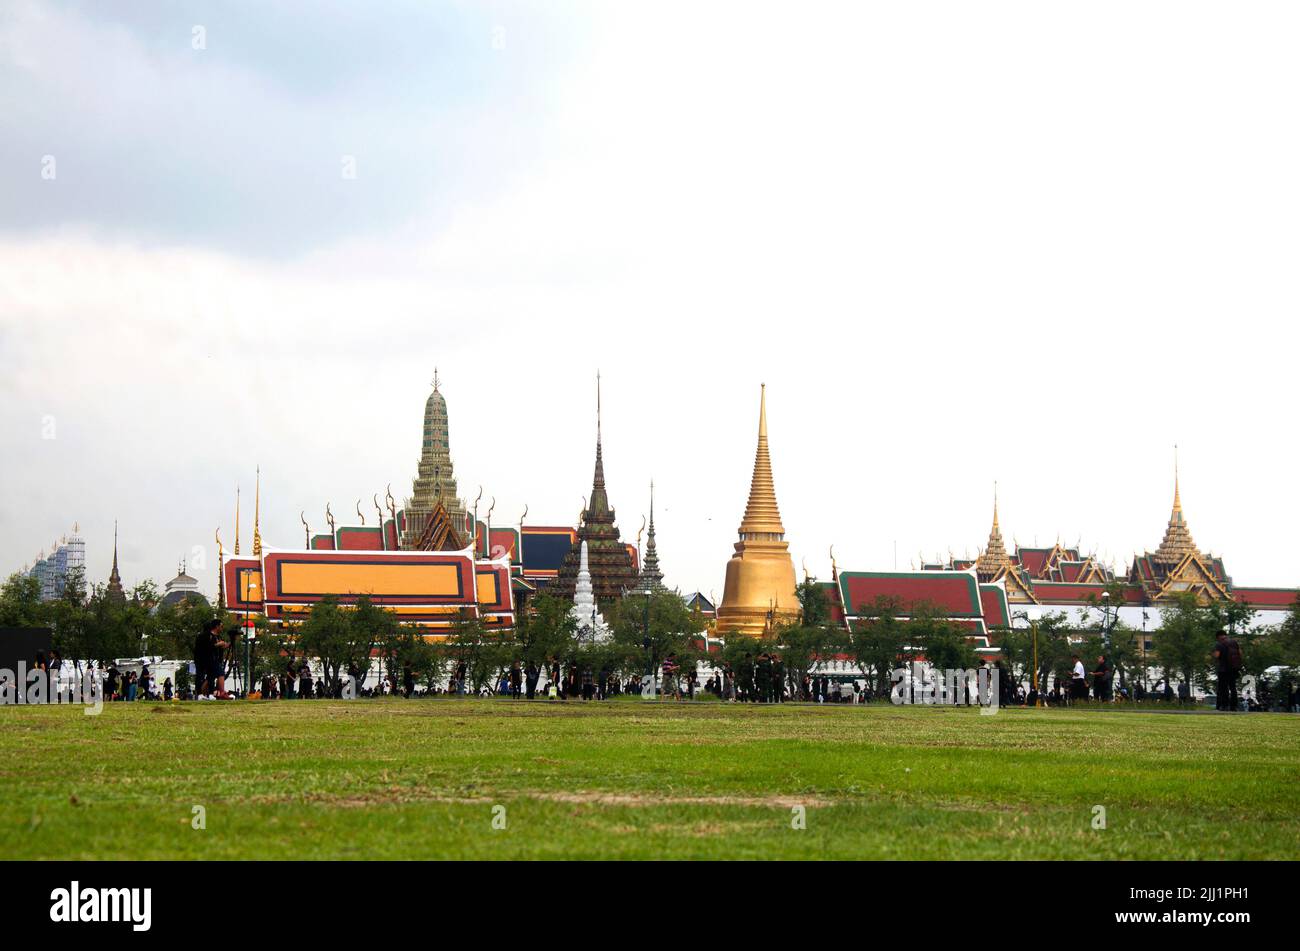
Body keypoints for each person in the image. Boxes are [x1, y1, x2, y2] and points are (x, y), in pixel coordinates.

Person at [1212, 629, 1243, 711]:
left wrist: (1213, 654)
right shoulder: (1234, 642)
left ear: (1218, 637)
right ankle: (1234, 706)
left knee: (1223, 688)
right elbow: (1240, 653)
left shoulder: (1219, 644)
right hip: (1233, 668)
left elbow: (1217, 655)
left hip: (1223, 669)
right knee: (1233, 687)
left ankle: (1224, 706)